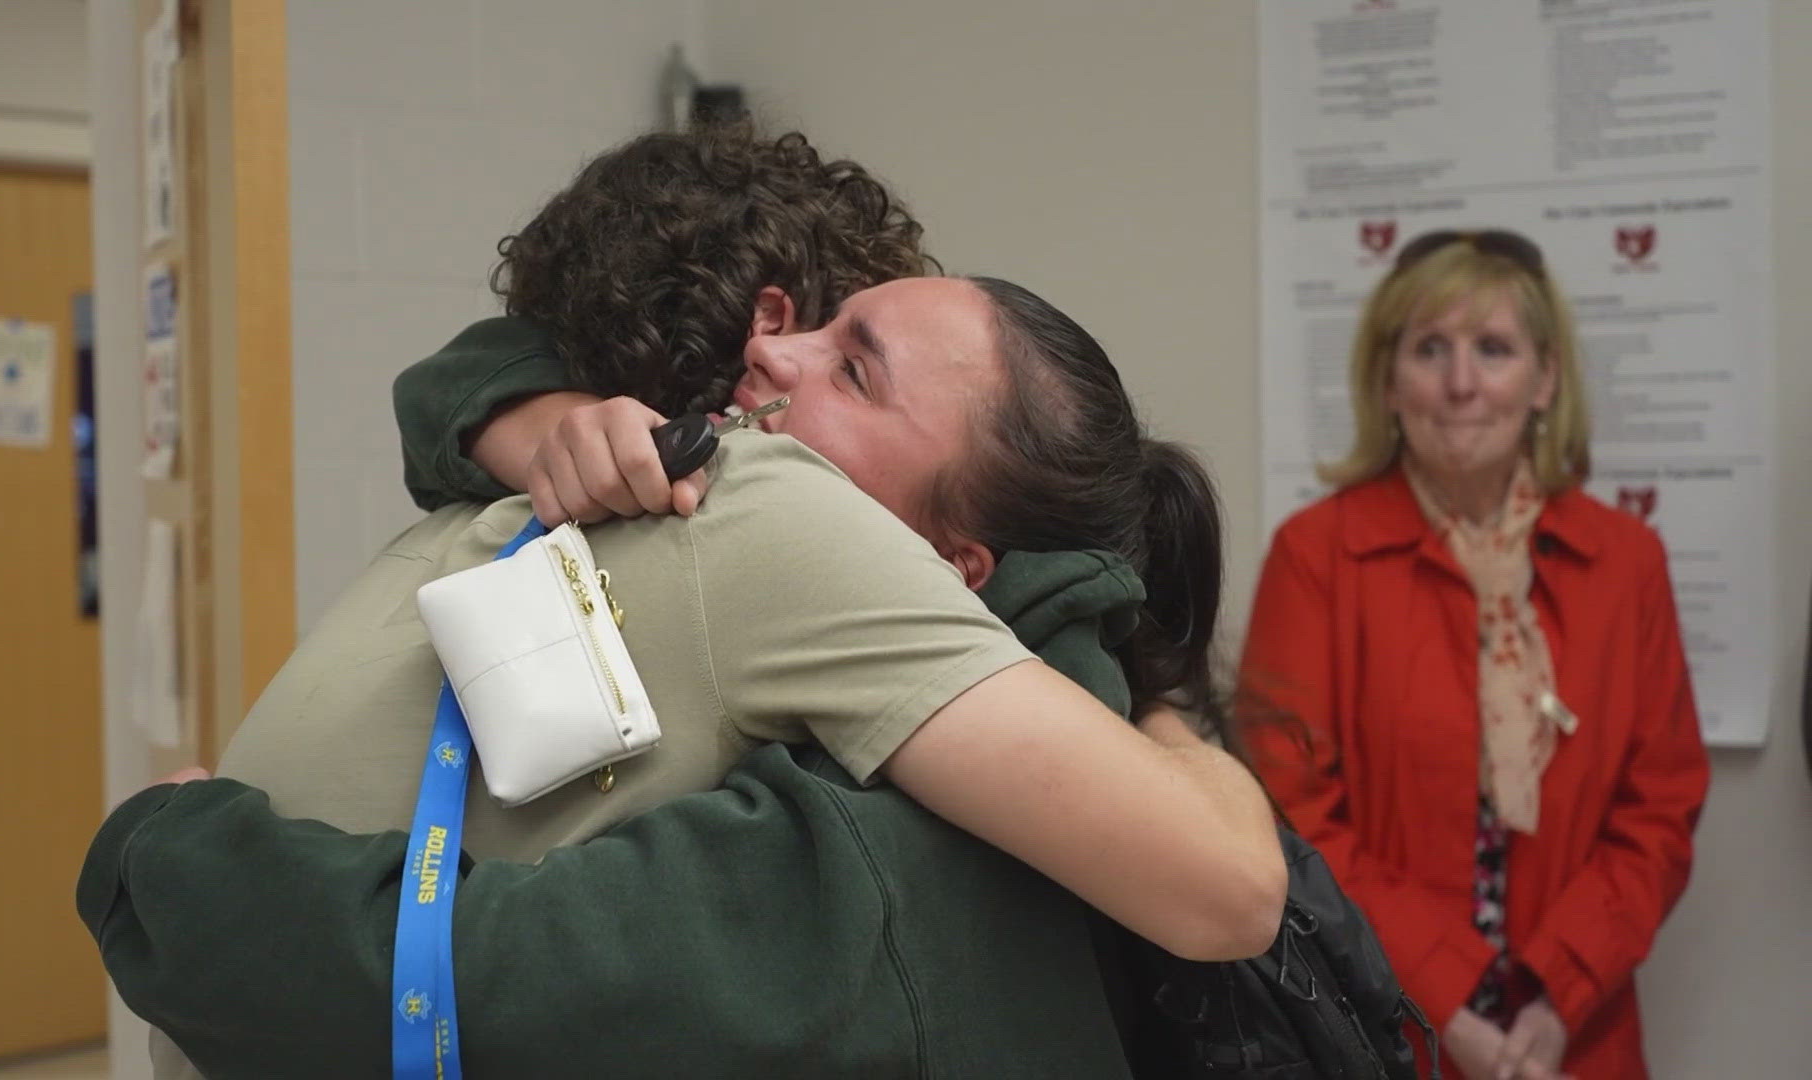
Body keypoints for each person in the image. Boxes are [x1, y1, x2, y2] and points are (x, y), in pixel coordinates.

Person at [99, 126, 1281, 1079]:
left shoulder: (774, 514)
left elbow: (520, 973)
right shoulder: (672, 493)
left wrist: (173, 867)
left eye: (851, 361)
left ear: (958, 561)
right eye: (795, 325)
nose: (778, 355)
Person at [1237, 228, 1709, 1080]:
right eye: (1430, 350)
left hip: (1574, 1033)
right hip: (1381, 1020)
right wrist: (1442, 1003)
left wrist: (1559, 997)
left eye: (1493, 349)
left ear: (1546, 379)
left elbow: (1660, 811)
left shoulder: (1626, 562)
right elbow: (1292, 814)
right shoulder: (1316, 557)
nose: (1461, 385)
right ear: (1388, 381)